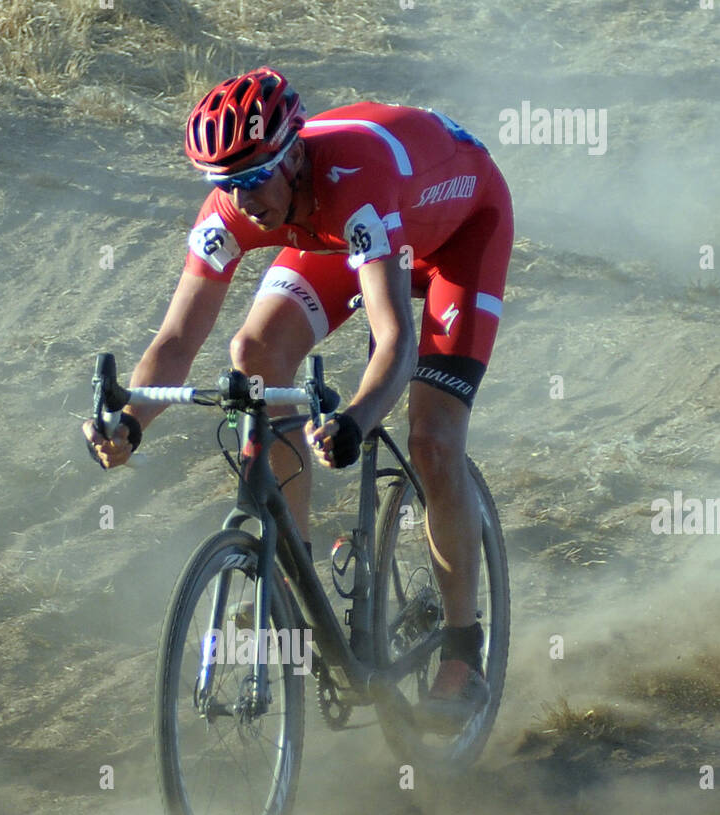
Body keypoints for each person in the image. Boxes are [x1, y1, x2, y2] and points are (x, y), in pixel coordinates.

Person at [83, 69, 513, 726]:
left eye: (253, 178)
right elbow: (174, 341)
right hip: (339, 233)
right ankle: (292, 581)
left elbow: (394, 340)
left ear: (293, 156)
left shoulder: (356, 184)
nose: (241, 198)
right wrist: (129, 421)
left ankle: (462, 651)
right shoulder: (233, 205)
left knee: (431, 438)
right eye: (223, 184)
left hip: (457, 233)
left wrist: (354, 420)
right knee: (253, 355)